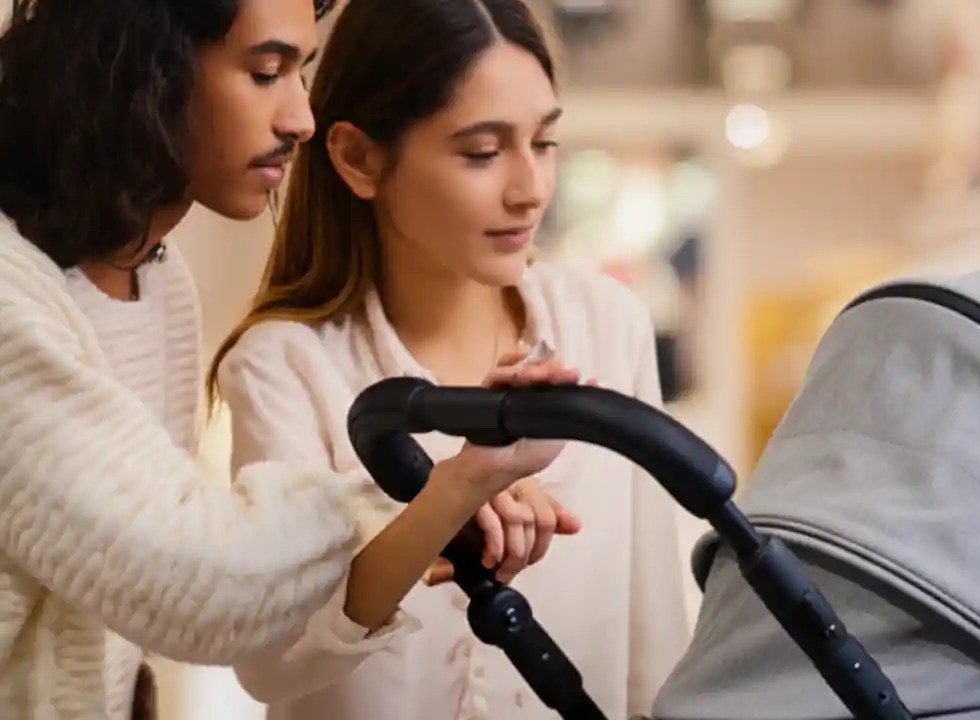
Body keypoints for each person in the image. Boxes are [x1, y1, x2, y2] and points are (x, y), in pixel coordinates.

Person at [0, 1, 577, 717]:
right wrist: (427, 492)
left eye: (299, 72)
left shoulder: (158, 279)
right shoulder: (11, 302)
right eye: (266, 71)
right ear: (141, 63)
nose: (299, 118)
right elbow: (195, 587)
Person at [207, 0, 693, 717]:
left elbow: (656, 637)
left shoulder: (607, 324)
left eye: (545, 143)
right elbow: (273, 662)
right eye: (483, 152)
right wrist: (459, 488)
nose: (530, 189)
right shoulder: (286, 365)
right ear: (358, 158)